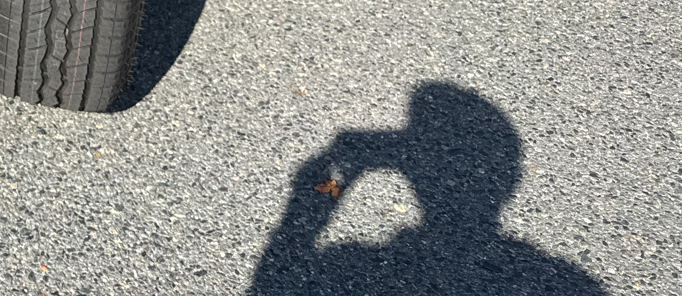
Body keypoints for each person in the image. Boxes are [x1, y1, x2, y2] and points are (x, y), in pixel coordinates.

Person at [250, 82, 604, 294]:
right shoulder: (557, 279)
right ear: (507, 180)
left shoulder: (357, 267)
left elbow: (277, 272)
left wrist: (327, 172)